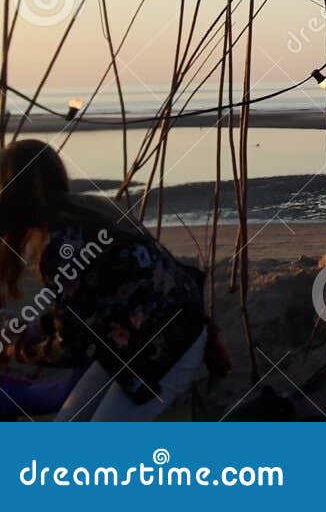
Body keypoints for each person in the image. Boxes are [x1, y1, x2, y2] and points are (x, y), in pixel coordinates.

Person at [0, 140, 214, 421]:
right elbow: (90, 303)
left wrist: (21, 350)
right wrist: (39, 327)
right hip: (141, 337)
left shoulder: (62, 246)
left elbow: (75, 348)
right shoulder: (93, 209)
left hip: (166, 346)